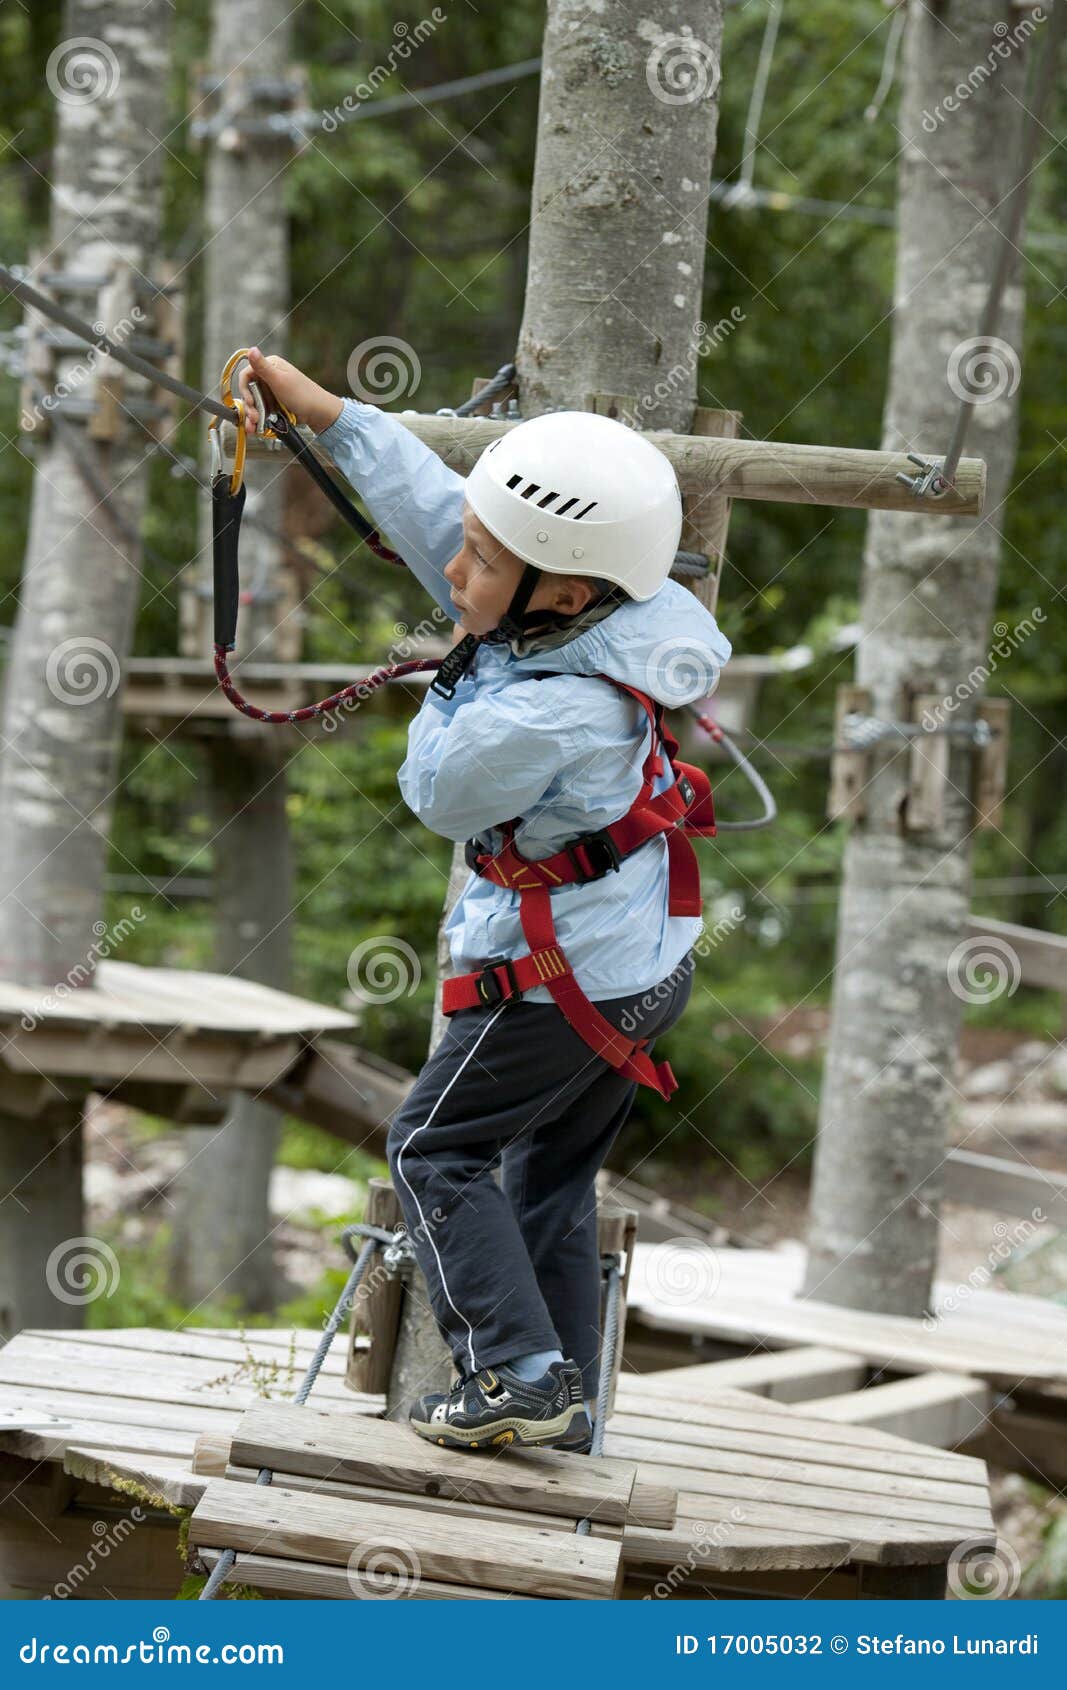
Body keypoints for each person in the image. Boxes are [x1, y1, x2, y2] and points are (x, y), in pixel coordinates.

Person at [237, 348, 731, 1453]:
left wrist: (452, 659)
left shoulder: (549, 709)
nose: (454, 572)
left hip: (557, 984)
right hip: (636, 966)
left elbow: (439, 791)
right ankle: (561, 1391)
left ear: (555, 586)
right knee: (547, 1180)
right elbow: (445, 519)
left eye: (478, 562)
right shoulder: (598, 618)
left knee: (430, 1152)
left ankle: (511, 1373)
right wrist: (328, 415)